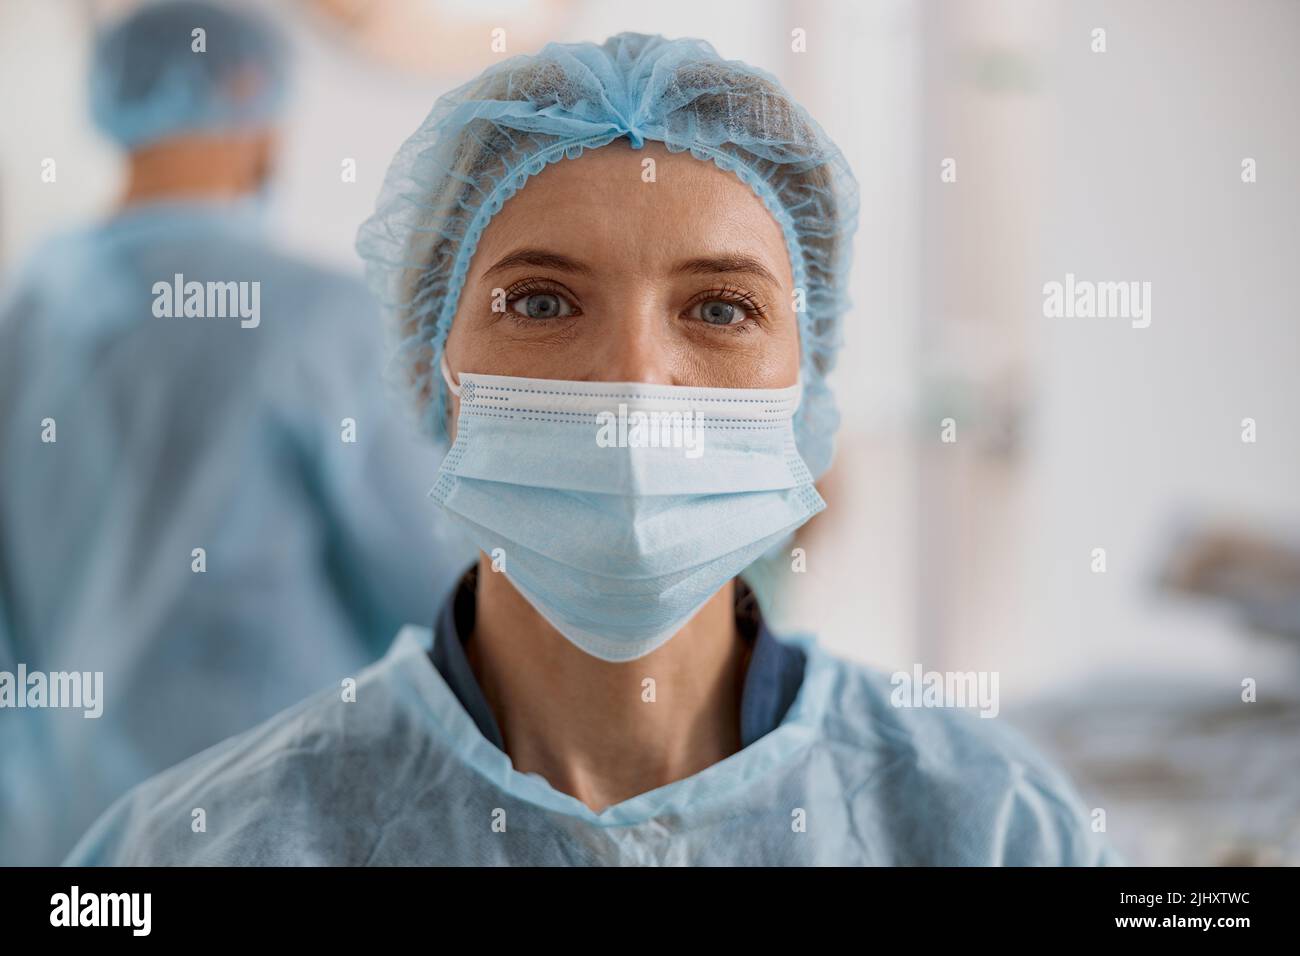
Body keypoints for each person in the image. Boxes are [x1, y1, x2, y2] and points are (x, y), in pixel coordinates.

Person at [65, 32, 1122, 866]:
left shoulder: (991, 826)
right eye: (539, 299)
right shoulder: (201, 845)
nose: (629, 376)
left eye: (719, 306)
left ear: (807, 374)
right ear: (436, 362)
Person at [0, 1, 465, 865]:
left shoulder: (24, 311)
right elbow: (443, 593)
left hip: (66, 850)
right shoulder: (314, 319)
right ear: (255, 99)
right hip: (264, 831)